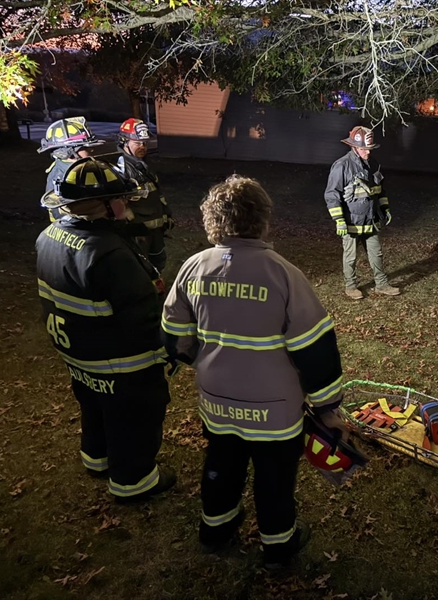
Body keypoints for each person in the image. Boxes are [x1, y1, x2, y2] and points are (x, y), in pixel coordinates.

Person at [162, 176, 347, 566]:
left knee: (220, 465)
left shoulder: (193, 267)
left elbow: (175, 335)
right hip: (275, 410)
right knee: (274, 478)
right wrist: (328, 405)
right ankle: (278, 548)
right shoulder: (283, 274)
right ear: (262, 220)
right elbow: (314, 348)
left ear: (212, 220)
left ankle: (215, 530)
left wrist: (202, 362)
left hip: (217, 402)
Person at [35, 158, 175, 502]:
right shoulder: (109, 253)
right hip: (120, 361)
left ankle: (96, 458)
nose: (126, 203)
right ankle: (134, 480)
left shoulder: (49, 235)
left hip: (79, 353)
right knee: (135, 415)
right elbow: (141, 313)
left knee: (94, 406)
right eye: (120, 198)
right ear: (103, 205)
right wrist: (166, 348)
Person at [324, 126, 400, 300]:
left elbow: (380, 190)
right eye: (365, 149)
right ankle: (351, 287)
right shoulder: (342, 165)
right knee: (350, 257)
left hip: (370, 220)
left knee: (376, 253)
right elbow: (331, 195)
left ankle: (381, 284)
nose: (368, 152)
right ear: (354, 147)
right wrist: (339, 220)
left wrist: (384, 209)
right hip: (351, 221)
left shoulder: (373, 164)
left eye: (369, 149)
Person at [114, 118, 172, 273]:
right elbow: (118, 201)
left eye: (145, 143)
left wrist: (166, 214)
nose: (143, 147)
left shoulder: (143, 166)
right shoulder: (121, 168)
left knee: (158, 261)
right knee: (140, 267)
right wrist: (130, 224)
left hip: (155, 229)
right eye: (138, 143)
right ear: (124, 141)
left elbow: (156, 193)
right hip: (139, 232)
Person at [38, 117, 104, 221]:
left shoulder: (79, 169)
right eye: (85, 147)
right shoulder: (61, 177)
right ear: (70, 151)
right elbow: (64, 214)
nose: (92, 149)